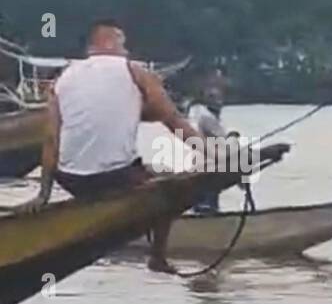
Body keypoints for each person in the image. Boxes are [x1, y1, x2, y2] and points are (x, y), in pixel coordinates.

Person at [16, 19, 204, 273]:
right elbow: (173, 119)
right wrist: (210, 151)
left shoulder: (63, 79)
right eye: (123, 44)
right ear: (106, 42)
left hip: (69, 179)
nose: (127, 51)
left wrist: (43, 194)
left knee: (139, 174)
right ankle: (157, 257)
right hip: (114, 177)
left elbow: (52, 140)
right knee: (170, 186)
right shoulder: (134, 71)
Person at [186, 77, 237, 214]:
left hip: (200, 168)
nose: (219, 102)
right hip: (208, 170)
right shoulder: (206, 117)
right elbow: (224, 139)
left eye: (220, 98)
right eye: (213, 98)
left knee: (203, 202)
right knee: (208, 203)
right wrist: (233, 136)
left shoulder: (197, 113)